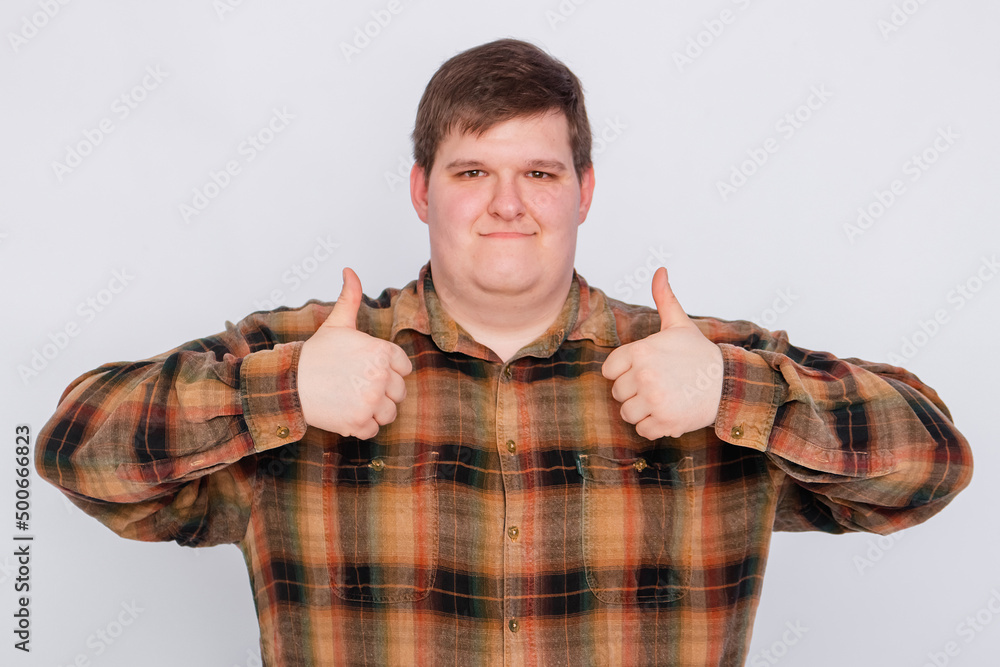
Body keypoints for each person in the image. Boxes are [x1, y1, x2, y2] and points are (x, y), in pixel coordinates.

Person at [36, 38, 972, 666]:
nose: (507, 203)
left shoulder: (696, 368)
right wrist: (273, 394)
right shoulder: (304, 359)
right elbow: (74, 449)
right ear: (422, 189)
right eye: (473, 171)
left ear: (584, 190)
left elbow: (932, 464)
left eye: (539, 172)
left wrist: (737, 390)